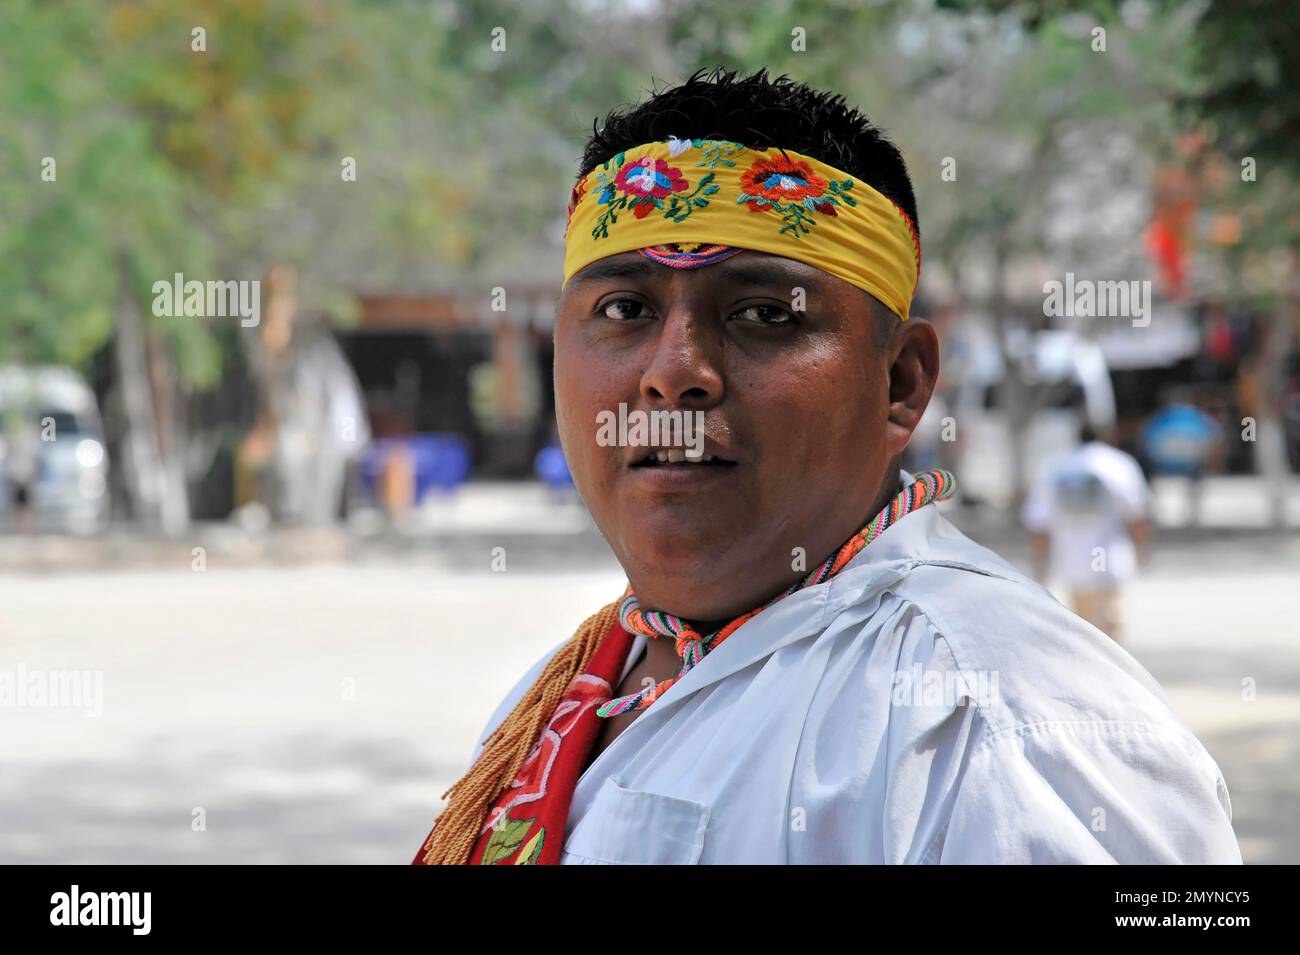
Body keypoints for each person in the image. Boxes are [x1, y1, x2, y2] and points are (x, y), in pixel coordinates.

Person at [414, 68, 1240, 864]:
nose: (674, 371)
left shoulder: (988, 715)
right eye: (625, 308)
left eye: (766, 313)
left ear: (901, 382)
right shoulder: (571, 688)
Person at [1023, 423, 1152, 641]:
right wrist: (1142, 548)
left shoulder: (1057, 466)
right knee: (1111, 620)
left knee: (1084, 628)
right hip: (1109, 557)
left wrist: (1039, 564)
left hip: (1073, 561)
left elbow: (1039, 522)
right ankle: (1113, 668)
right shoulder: (1118, 463)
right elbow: (1137, 512)